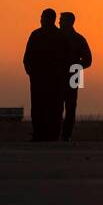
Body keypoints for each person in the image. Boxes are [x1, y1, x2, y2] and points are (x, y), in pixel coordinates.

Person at [24, 8, 69, 142]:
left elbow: (69, 59)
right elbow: (27, 58)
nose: (41, 20)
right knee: (47, 107)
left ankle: (46, 134)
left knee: (48, 107)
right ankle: (45, 134)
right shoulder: (59, 36)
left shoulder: (41, 35)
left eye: (43, 17)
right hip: (45, 79)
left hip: (50, 79)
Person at [59, 11, 92, 141]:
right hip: (62, 75)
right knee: (58, 106)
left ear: (69, 22)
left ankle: (66, 135)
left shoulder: (78, 39)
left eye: (62, 20)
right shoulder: (57, 37)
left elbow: (88, 60)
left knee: (70, 106)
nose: (59, 22)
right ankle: (59, 134)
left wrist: (74, 67)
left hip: (73, 76)